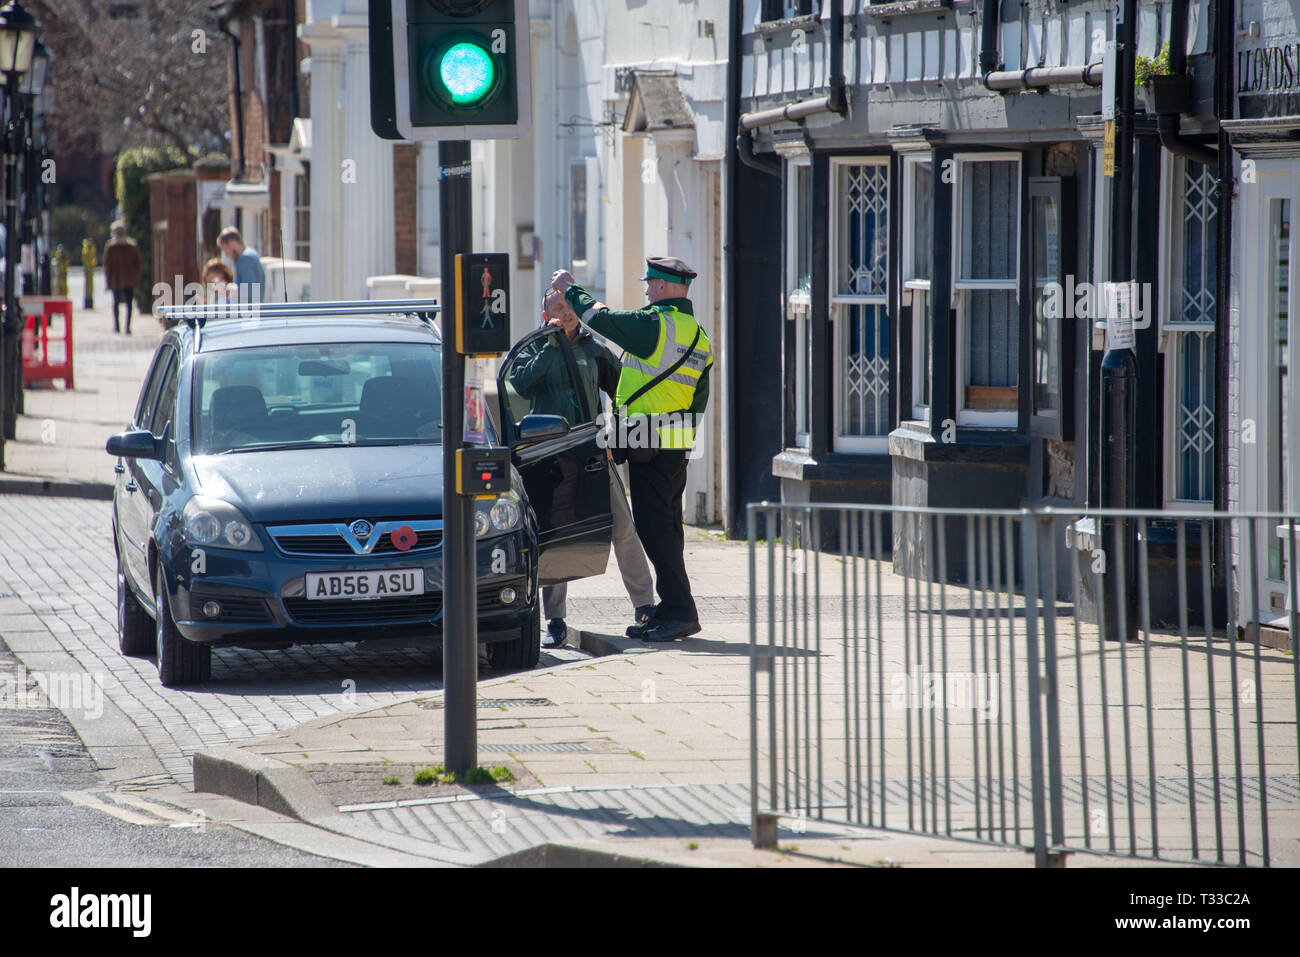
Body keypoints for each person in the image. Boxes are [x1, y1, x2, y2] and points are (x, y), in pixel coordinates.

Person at [551, 256, 713, 643]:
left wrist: (570, 287)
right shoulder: (698, 334)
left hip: (650, 446)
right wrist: (680, 442)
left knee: (655, 531)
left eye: (649, 283)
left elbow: (601, 319)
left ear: (661, 287)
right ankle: (672, 605)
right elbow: (699, 399)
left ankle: (680, 611)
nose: (645, 289)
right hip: (672, 446)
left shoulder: (654, 324)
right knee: (668, 529)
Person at [505, 289, 656, 648]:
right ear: (545, 314)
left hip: (592, 452)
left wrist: (615, 437)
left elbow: (624, 391)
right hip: (551, 456)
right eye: (557, 306)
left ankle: (646, 606)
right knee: (555, 537)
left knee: (622, 528)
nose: (565, 311)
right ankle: (555, 621)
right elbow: (522, 384)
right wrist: (553, 345)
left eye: (569, 305)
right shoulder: (534, 347)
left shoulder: (594, 347)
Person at [103, 221, 143, 334]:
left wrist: (108, 281)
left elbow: (107, 266)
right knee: (125, 304)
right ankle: (123, 326)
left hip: (118, 280)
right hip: (125, 280)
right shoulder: (127, 247)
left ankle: (120, 326)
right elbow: (138, 265)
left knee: (120, 303)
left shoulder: (113, 247)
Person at [217, 225, 266, 304]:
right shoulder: (250, 254)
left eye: (225, 249)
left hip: (248, 313)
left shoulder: (246, 259)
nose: (226, 254)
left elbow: (248, 291)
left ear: (231, 243)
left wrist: (228, 287)